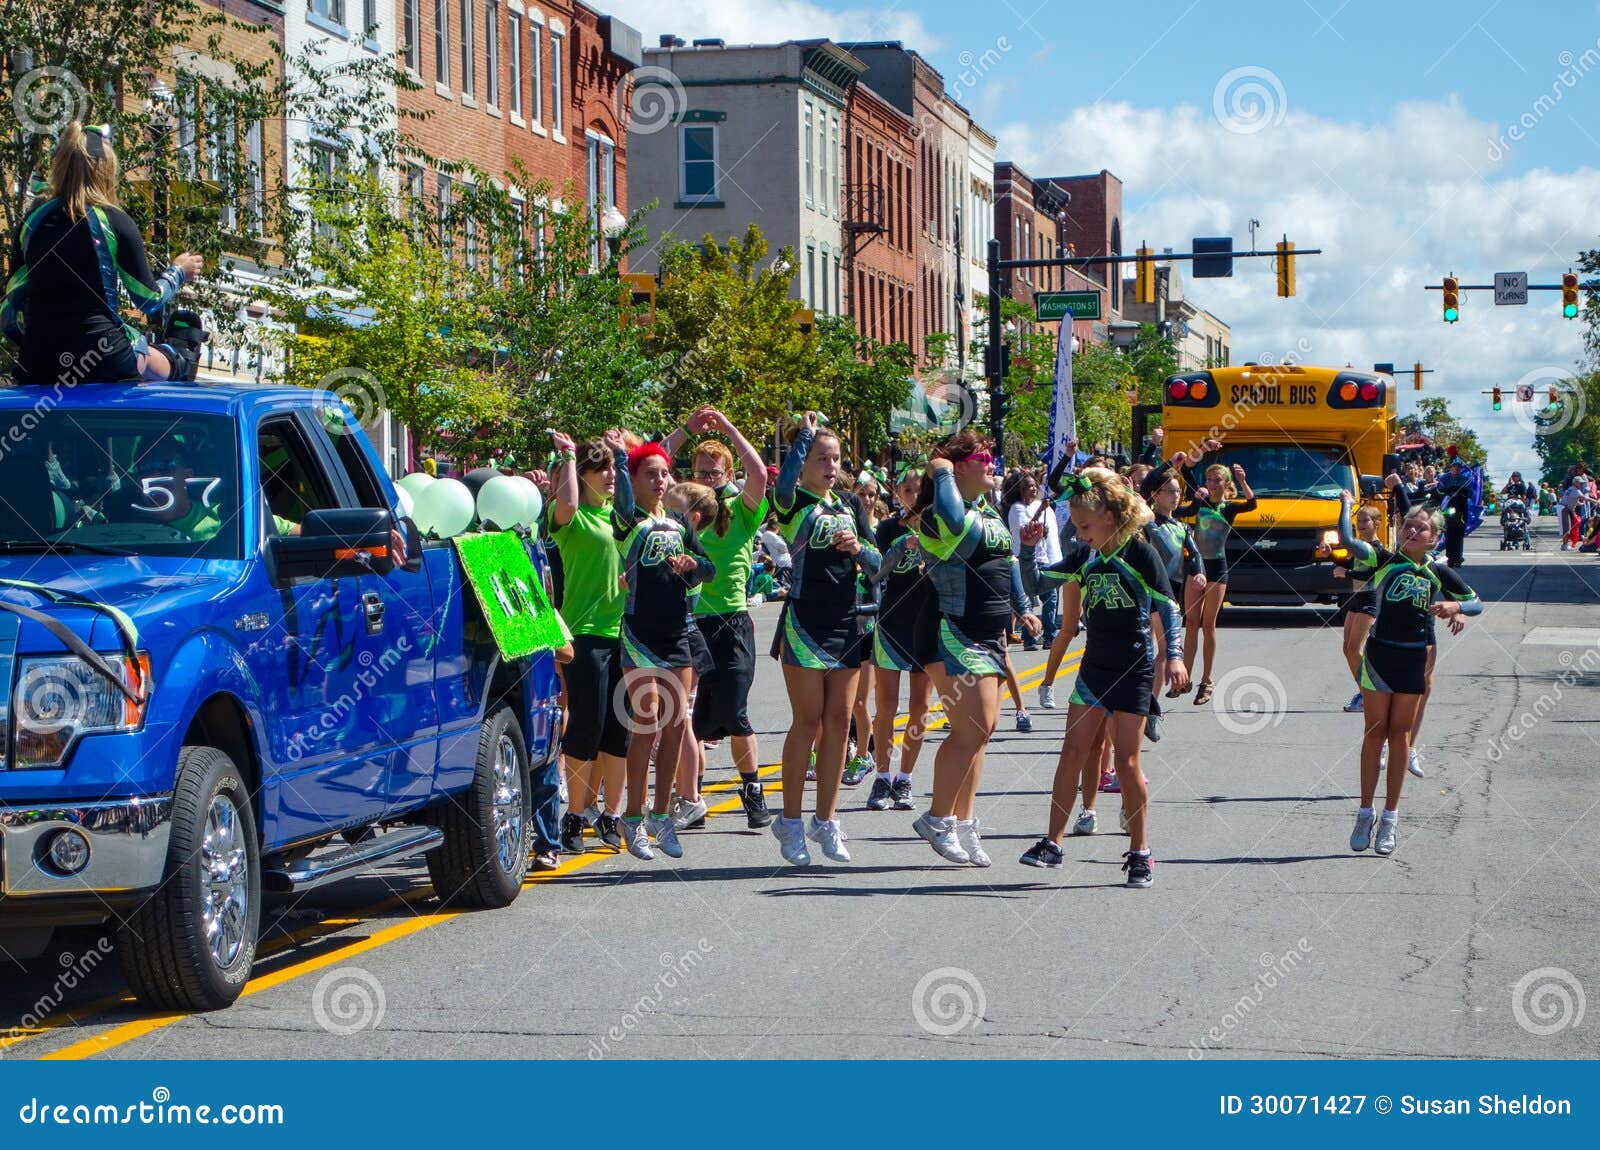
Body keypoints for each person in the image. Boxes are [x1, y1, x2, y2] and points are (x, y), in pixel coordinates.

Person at [1022, 468, 1187, 887]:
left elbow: (1167, 607)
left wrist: (1176, 656)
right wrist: (1027, 552)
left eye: (1084, 526)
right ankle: (1053, 842)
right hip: (1094, 665)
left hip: (1133, 665)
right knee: (1072, 751)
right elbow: (1040, 583)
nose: (1080, 534)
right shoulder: (1085, 556)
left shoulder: (1139, 554)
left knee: (1128, 759)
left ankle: (1140, 851)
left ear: (1109, 519)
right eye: (1077, 527)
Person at [911, 433, 1041, 866]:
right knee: (974, 727)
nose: (992, 463)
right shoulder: (938, 515)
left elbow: (1005, 565)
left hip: (990, 632)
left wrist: (1023, 607)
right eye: (982, 457)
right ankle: (936, 818)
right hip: (951, 628)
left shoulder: (986, 511)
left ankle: (964, 823)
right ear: (958, 466)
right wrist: (940, 469)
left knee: (980, 735)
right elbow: (950, 517)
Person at [3, 123, 204, 384]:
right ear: (106, 171)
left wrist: (30, 344)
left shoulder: (33, 221)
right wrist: (179, 271)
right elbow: (149, 299)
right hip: (105, 355)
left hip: (40, 360)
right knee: (168, 362)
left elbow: (9, 304)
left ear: (61, 165)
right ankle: (179, 358)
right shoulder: (115, 220)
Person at [1336, 494, 1481, 855]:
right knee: (1374, 732)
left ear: (1434, 538)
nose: (1413, 530)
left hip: (1414, 660)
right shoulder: (1384, 559)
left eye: (1422, 527)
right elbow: (1349, 541)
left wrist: (1456, 605)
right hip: (1381, 657)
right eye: (1408, 525)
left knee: (1399, 735)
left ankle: (1390, 817)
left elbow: (1476, 601)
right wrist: (1345, 506)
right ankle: (1365, 811)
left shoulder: (1438, 571)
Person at [769, 412, 880, 865]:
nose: (830, 466)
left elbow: (878, 563)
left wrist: (859, 549)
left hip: (846, 622)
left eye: (835, 459)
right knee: (808, 721)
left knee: (842, 721)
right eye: (821, 458)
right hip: (804, 623)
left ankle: (826, 819)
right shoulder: (795, 504)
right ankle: (790, 821)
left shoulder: (851, 506)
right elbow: (783, 484)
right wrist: (805, 437)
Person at [662, 407, 774, 829]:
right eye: (702, 473)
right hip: (689, 621)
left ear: (727, 474)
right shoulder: (680, 509)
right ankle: (693, 799)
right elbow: (656, 461)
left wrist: (727, 427)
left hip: (731, 620)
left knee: (735, 712)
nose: (708, 479)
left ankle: (752, 791)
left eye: (715, 472)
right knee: (691, 718)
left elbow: (759, 473)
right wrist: (687, 429)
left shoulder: (740, 510)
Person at [610, 435, 715, 861]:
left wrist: (692, 566)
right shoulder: (627, 518)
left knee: (676, 726)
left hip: (678, 635)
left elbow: (707, 567)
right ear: (633, 479)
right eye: (650, 473)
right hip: (640, 633)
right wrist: (620, 456)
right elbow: (619, 495)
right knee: (648, 721)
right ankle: (631, 817)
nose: (659, 480)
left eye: (664, 473)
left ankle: (660, 813)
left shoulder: (679, 522)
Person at [548, 432, 631, 856]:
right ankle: (575, 815)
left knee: (620, 731)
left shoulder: (620, 517)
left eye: (614, 467)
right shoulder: (572, 518)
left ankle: (611, 815)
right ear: (582, 475)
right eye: (601, 468)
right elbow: (567, 504)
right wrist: (565, 456)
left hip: (626, 635)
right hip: (586, 634)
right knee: (587, 725)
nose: (611, 475)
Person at [864, 467, 934, 813]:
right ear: (898, 493)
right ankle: (883, 775)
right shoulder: (888, 528)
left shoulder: (942, 527)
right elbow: (875, 571)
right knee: (886, 706)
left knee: (920, 707)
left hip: (928, 626)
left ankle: (905, 777)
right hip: (892, 624)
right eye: (907, 489)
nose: (913, 495)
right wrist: (900, 544)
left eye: (919, 490)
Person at [1174, 449, 1256, 704]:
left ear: (1225, 484)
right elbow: (1186, 474)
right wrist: (1197, 455)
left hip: (1217, 568)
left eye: (1217, 480)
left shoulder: (1228, 508)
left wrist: (1243, 481)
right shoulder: (1200, 503)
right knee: (1191, 624)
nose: (1212, 484)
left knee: (1208, 625)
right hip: (1196, 568)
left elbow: (1252, 504)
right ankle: (1182, 679)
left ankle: (1206, 681)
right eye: (1209, 480)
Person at [1137, 460, 1206, 741]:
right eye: (1169, 491)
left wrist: (1199, 572)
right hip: (1151, 590)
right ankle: (1147, 706)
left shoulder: (1180, 527)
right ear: (1156, 495)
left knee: (1164, 652)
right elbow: (1143, 487)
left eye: (1178, 491)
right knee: (1158, 649)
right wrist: (1171, 463)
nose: (1175, 496)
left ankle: (1151, 706)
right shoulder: (1147, 521)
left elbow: (1195, 554)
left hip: (1172, 591)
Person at [1431, 459, 1472, 567]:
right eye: (1455, 466)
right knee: (1449, 535)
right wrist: (1448, 492)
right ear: (1451, 467)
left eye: (1459, 467)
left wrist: (1461, 493)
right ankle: (1450, 557)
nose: (1457, 468)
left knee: (1458, 536)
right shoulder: (1444, 478)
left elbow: (1470, 493)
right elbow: (1439, 492)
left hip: (1460, 510)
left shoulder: (1465, 480)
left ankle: (1458, 558)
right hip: (1447, 510)